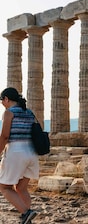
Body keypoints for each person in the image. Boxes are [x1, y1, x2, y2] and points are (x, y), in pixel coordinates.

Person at [0, 87, 38, 224]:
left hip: (16, 152)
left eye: (1, 101)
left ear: (6, 99)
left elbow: (4, 136)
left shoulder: (8, 113)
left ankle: (26, 212)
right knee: (21, 188)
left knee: (4, 187)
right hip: (32, 153)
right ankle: (27, 219)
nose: (2, 104)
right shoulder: (29, 112)